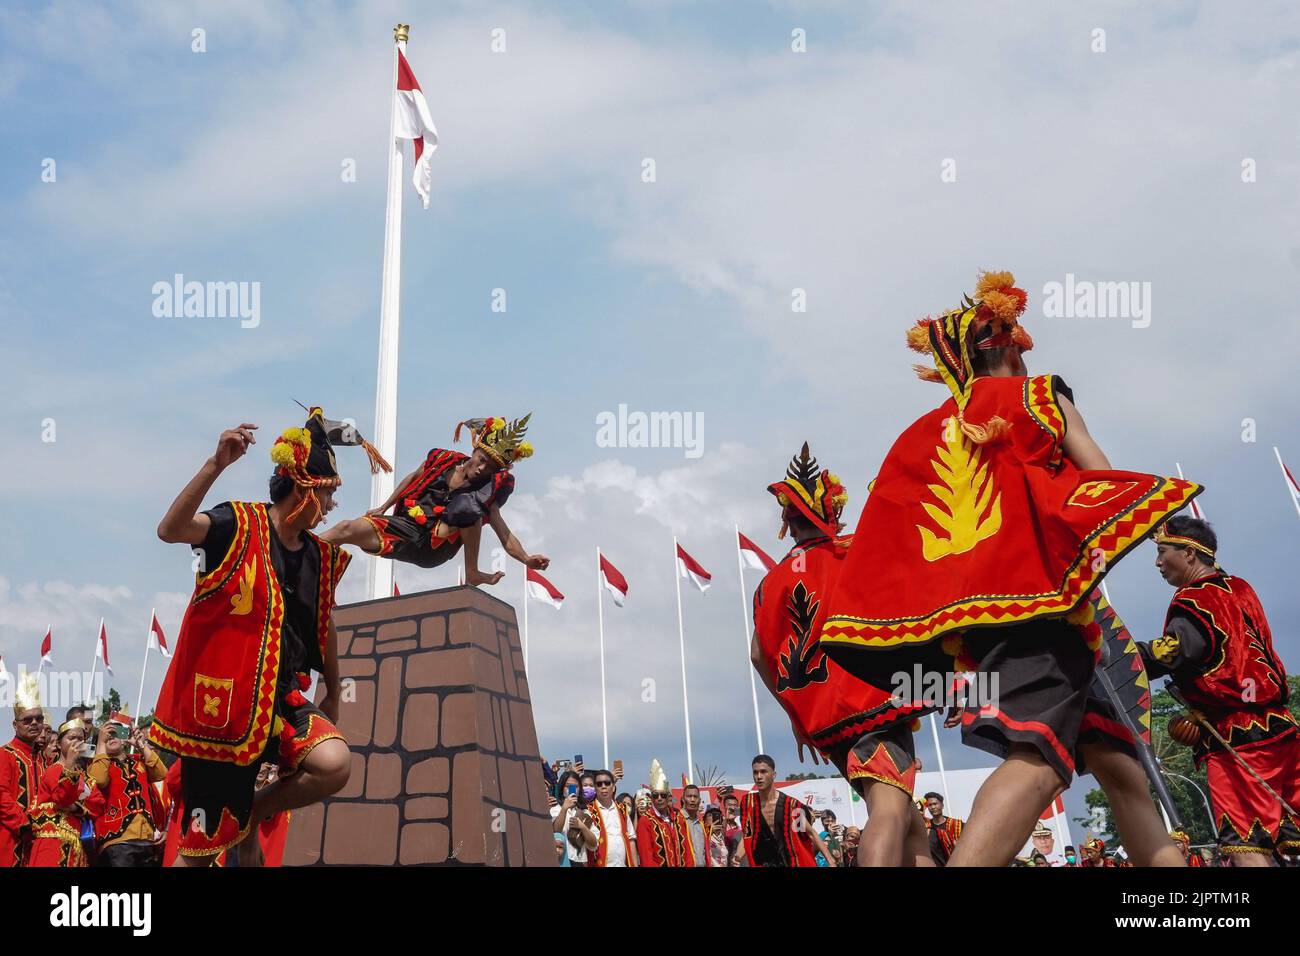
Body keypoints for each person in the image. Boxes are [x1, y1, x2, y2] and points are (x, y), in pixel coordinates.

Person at [820, 270, 1200, 867]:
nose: (1027, 351)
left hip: (984, 621)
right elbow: (1096, 478)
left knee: (1123, 773)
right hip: (1044, 608)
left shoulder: (916, 437)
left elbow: (889, 541)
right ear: (1001, 344)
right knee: (1039, 760)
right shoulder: (1039, 396)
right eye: (1018, 340)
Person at [150, 408, 365, 866]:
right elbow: (170, 530)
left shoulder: (316, 556)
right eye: (327, 497)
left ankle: (252, 813)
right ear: (304, 491)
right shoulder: (235, 524)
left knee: (335, 763)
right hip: (222, 711)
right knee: (200, 855)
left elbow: (323, 620)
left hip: (280, 701)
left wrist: (333, 693)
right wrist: (216, 465)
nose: (330, 508)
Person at [751, 444, 932, 866]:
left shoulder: (768, 585)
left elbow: (760, 656)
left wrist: (796, 717)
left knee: (910, 826)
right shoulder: (854, 551)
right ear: (832, 511)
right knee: (889, 812)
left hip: (826, 725)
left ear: (788, 523)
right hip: (874, 704)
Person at [1141, 517, 1299, 866]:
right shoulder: (1241, 587)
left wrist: (1118, 655)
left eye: (1162, 552)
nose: (1157, 563)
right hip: (1282, 728)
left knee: (1245, 845)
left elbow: (1174, 651)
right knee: (1291, 832)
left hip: (1236, 737)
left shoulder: (1193, 599)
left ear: (1190, 554)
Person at [320, 415, 549, 586]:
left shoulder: (484, 490)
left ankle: (472, 572)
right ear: (475, 450)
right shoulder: (442, 458)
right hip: (407, 528)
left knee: (469, 508)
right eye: (480, 460)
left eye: (488, 468)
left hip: (436, 543)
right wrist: (384, 507)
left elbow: (504, 532)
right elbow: (413, 477)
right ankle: (295, 554)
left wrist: (526, 559)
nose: (480, 469)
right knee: (346, 528)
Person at [88, 719, 167, 867]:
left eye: (115, 733)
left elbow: (161, 773)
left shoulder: (139, 761)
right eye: (107, 736)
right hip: (117, 843)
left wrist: (140, 744)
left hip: (147, 841)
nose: (111, 737)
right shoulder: (97, 766)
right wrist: (100, 744)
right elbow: (99, 780)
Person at [734, 755, 830, 867]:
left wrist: (831, 862)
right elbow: (747, 834)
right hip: (763, 862)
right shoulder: (748, 803)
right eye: (755, 772)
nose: (759, 776)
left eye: (763, 772)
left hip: (790, 862)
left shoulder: (792, 806)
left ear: (774, 775)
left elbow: (811, 834)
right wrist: (738, 855)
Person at [27, 718, 92, 868]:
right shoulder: (53, 770)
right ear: (58, 743)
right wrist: (69, 764)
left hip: (75, 842)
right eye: (71, 738)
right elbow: (62, 798)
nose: (76, 742)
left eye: (80, 739)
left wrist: (77, 808)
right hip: (52, 840)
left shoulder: (83, 776)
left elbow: (98, 803)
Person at [1, 673, 45, 867]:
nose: (34, 723)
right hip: (10, 839)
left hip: (41, 842)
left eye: (38, 718)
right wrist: (23, 824)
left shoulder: (45, 759)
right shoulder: (5, 754)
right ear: (15, 725)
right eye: (27, 720)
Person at [636, 760, 684, 867]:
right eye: (655, 796)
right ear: (651, 798)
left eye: (663, 795)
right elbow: (646, 859)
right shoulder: (645, 821)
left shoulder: (678, 818)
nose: (659, 799)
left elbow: (687, 853)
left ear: (668, 797)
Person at [586, 768, 636, 867]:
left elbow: (631, 840)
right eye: (599, 784)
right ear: (595, 788)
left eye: (607, 783)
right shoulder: (588, 810)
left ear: (613, 787)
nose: (603, 786)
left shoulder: (623, 809)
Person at [550, 770, 597, 865]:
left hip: (580, 862)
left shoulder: (585, 812)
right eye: (568, 786)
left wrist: (582, 826)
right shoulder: (555, 810)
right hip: (562, 861)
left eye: (575, 787)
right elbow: (556, 831)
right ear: (562, 788)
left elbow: (593, 845)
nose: (572, 789)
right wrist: (564, 808)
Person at [676, 783, 713, 867]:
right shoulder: (676, 821)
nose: (692, 800)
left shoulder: (702, 824)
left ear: (699, 800)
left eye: (695, 797)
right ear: (683, 799)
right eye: (689, 796)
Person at [923, 792, 964, 866]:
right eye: (930, 805)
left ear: (942, 805)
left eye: (935, 804)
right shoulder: (926, 828)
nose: (933, 807)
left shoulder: (957, 824)